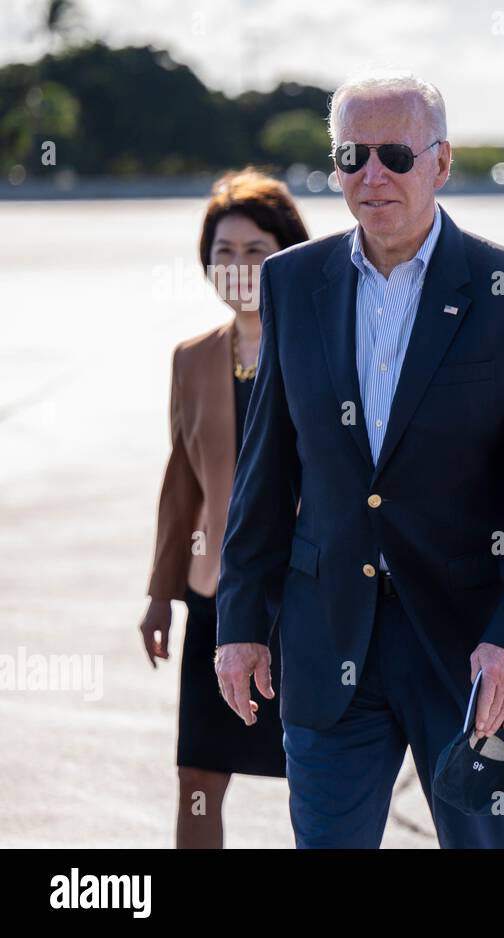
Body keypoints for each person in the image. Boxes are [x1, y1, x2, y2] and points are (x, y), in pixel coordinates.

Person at [214, 71, 504, 849]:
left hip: (467, 655)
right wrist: (241, 621)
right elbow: (267, 467)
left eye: (394, 154)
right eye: (351, 155)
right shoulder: (293, 282)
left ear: (442, 163)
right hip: (326, 643)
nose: (371, 175)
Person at [140, 169, 308, 848]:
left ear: (287, 255)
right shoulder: (192, 360)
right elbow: (182, 484)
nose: (237, 267)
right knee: (199, 777)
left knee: (321, 775)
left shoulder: (319, 348)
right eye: (223, 251)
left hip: (306, 598)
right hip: (216, 598)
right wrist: (160, 594)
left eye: (256, 250)